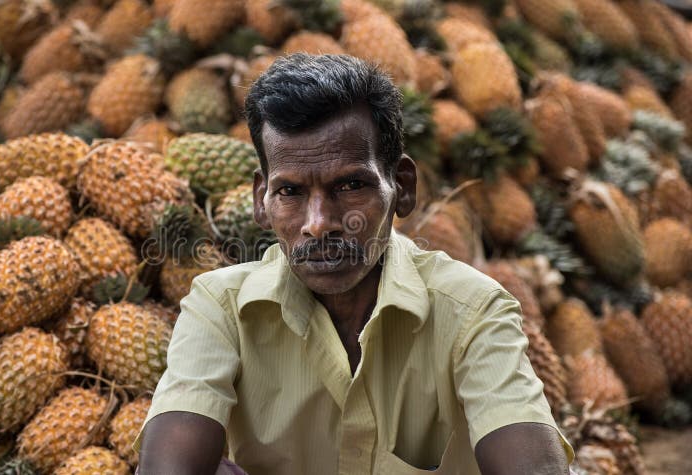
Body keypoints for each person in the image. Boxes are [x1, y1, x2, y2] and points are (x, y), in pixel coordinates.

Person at [135, 53, 574, 474]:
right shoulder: (221, 308)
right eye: (290, 192)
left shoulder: (473, 312)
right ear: (260, 200)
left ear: (401, 187)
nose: (319, 224)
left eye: (349, 185)